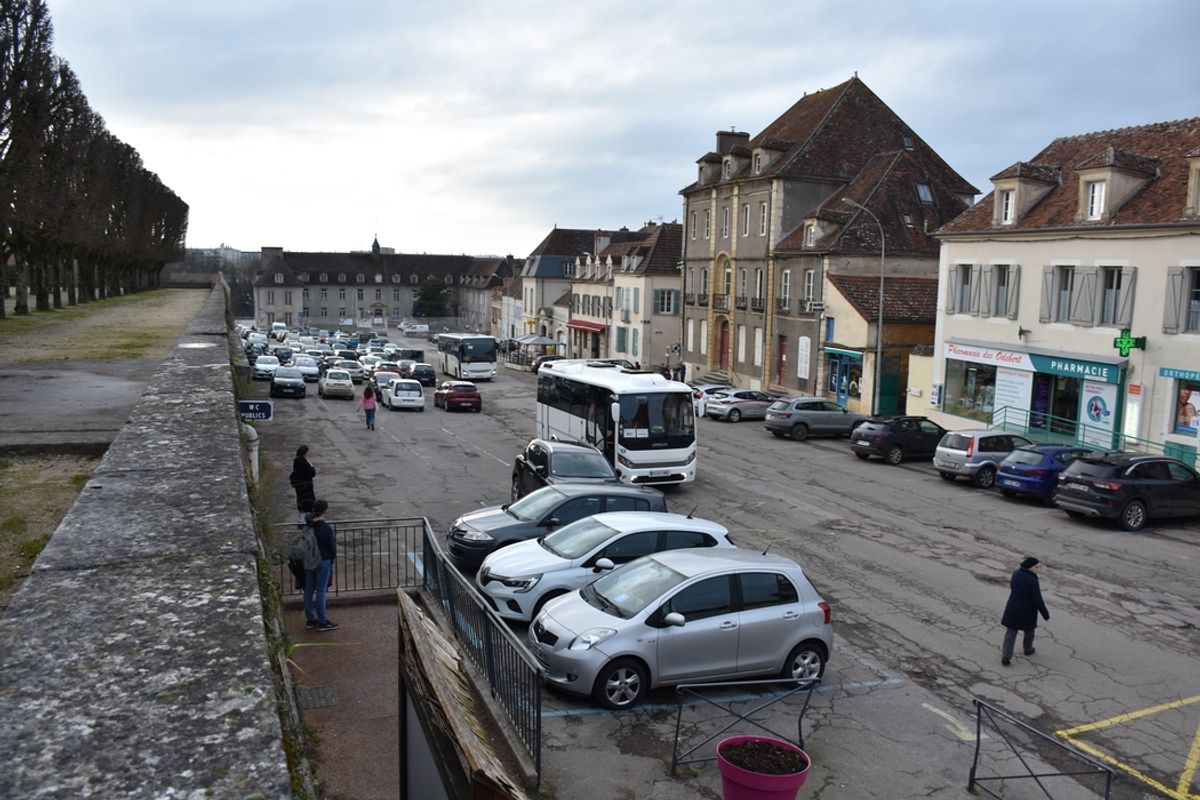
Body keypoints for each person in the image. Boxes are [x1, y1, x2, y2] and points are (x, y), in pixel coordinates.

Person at [1000, 556, 1049, 665]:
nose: (1038, 569)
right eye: (1036, 567)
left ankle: (1006, 657)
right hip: (1027, 611)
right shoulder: (1032, 580)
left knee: (1011, 632)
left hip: (1013, 607)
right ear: (1030, 568)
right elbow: (1037, 599)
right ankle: (1028, 649)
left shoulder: (1016, 573)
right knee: (1029, 631)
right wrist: (1045, 613)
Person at [303, 499, 338, 631]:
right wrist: (331, 560)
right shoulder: (325, 528)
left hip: (309, 560)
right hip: (323, 561)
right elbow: (332, 547)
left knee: (308, 590)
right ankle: (323, 621)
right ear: (325, 510)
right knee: (321, 591)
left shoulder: (309, 525)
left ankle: (310, 619)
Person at [289, 445, 316, 525]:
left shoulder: (296, 461)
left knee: (302, 504)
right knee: (307, 505)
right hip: (306, 488)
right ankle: (305, 522)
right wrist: (312, 466)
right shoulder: (305, 462)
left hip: (300, 488)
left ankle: (301, 520)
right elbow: (312, 473)